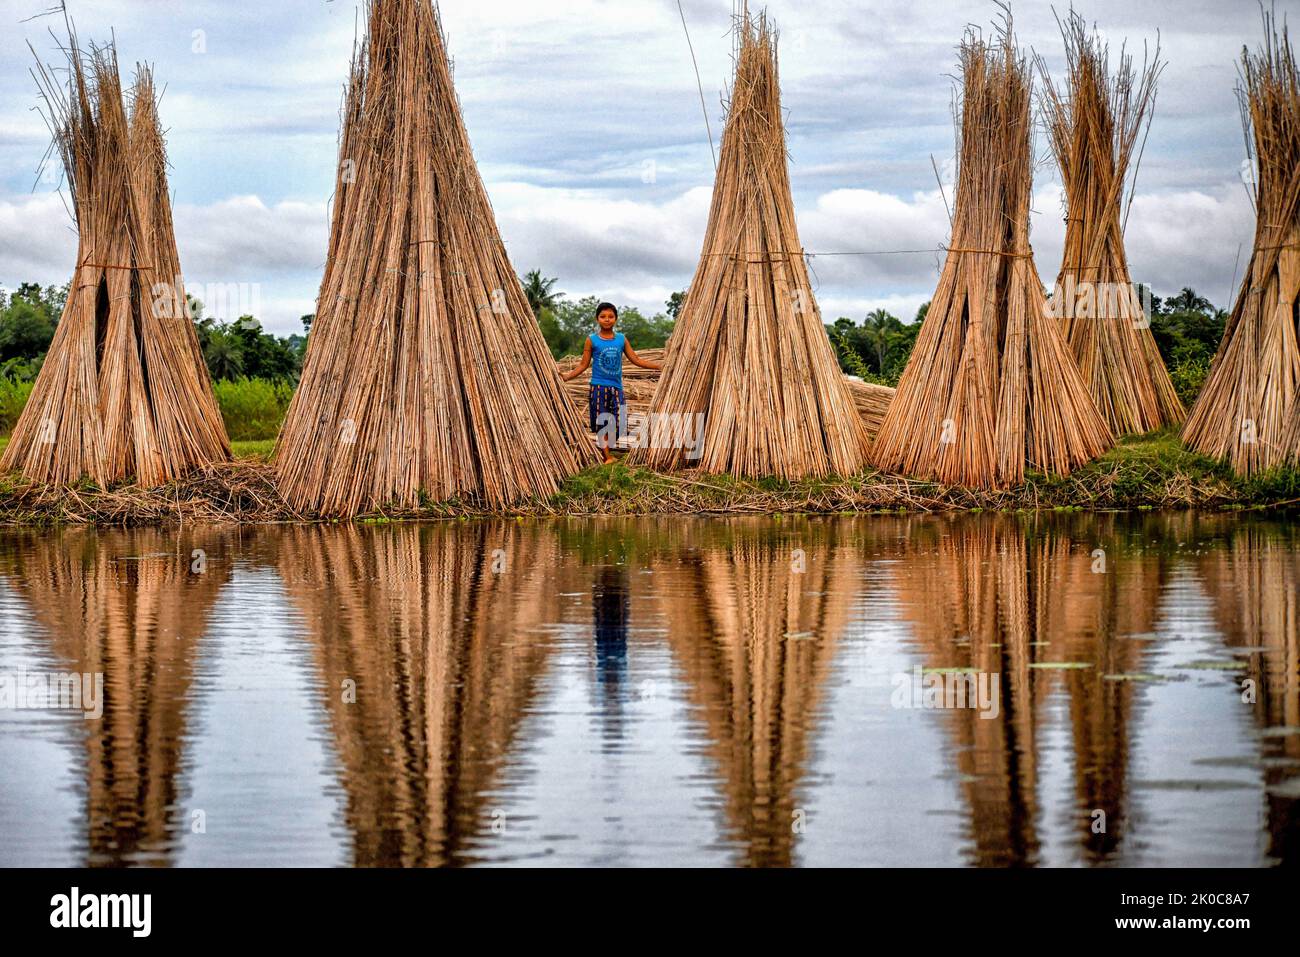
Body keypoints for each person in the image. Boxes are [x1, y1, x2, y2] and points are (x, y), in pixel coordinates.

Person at [560, 302, 662, 465]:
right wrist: (566, 376)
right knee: (602, 421)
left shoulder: (621, 339)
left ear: (616, 319)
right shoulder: (592, 340)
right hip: (598, 386)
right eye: (603, 317)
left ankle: (608, 447)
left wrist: (658, 366)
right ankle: (607, 456)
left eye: (610, 316)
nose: (607, 320)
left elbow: (635, 359)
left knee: (620, 420)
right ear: (597, 319)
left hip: (617, 387)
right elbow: (583, 365)